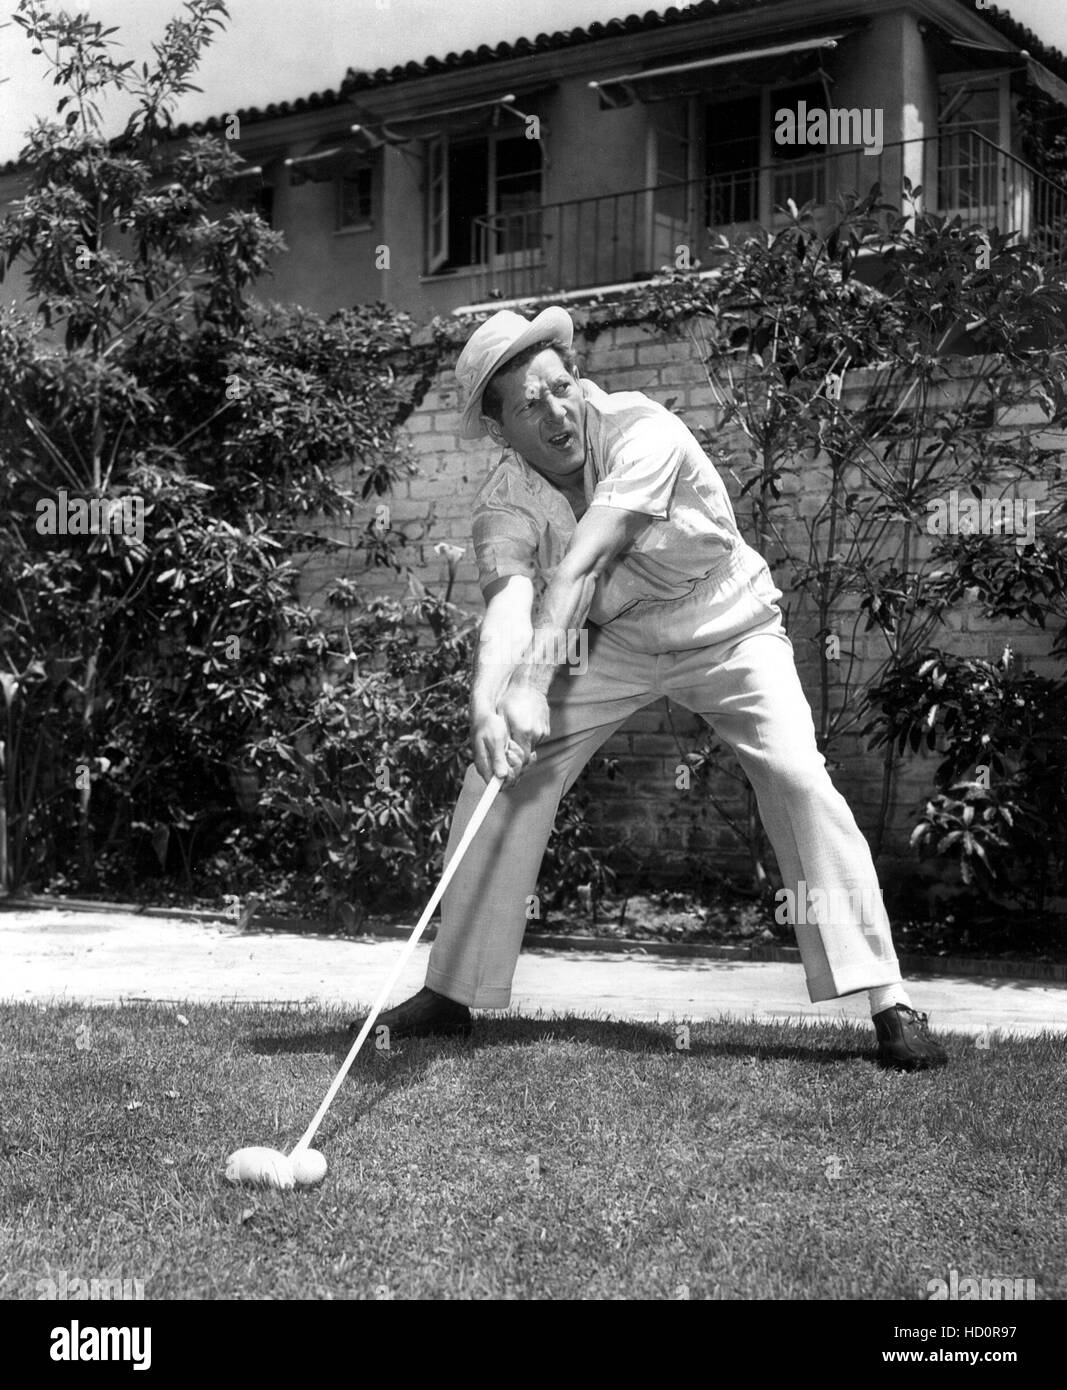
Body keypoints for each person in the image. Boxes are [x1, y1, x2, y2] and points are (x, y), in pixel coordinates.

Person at [350, 306, 948, 1071]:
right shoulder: (504, 495)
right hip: (615, 640)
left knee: (798, 776)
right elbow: (508, 600)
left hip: (726, 623)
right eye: (528, 405)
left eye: (559, 386)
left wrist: (534, 682)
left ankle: (886, 996)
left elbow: (585, 563)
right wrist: (488, 704)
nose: (556, 411)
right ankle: (451, 991)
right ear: (499, 428)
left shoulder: (641, 429)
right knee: (495, 776)